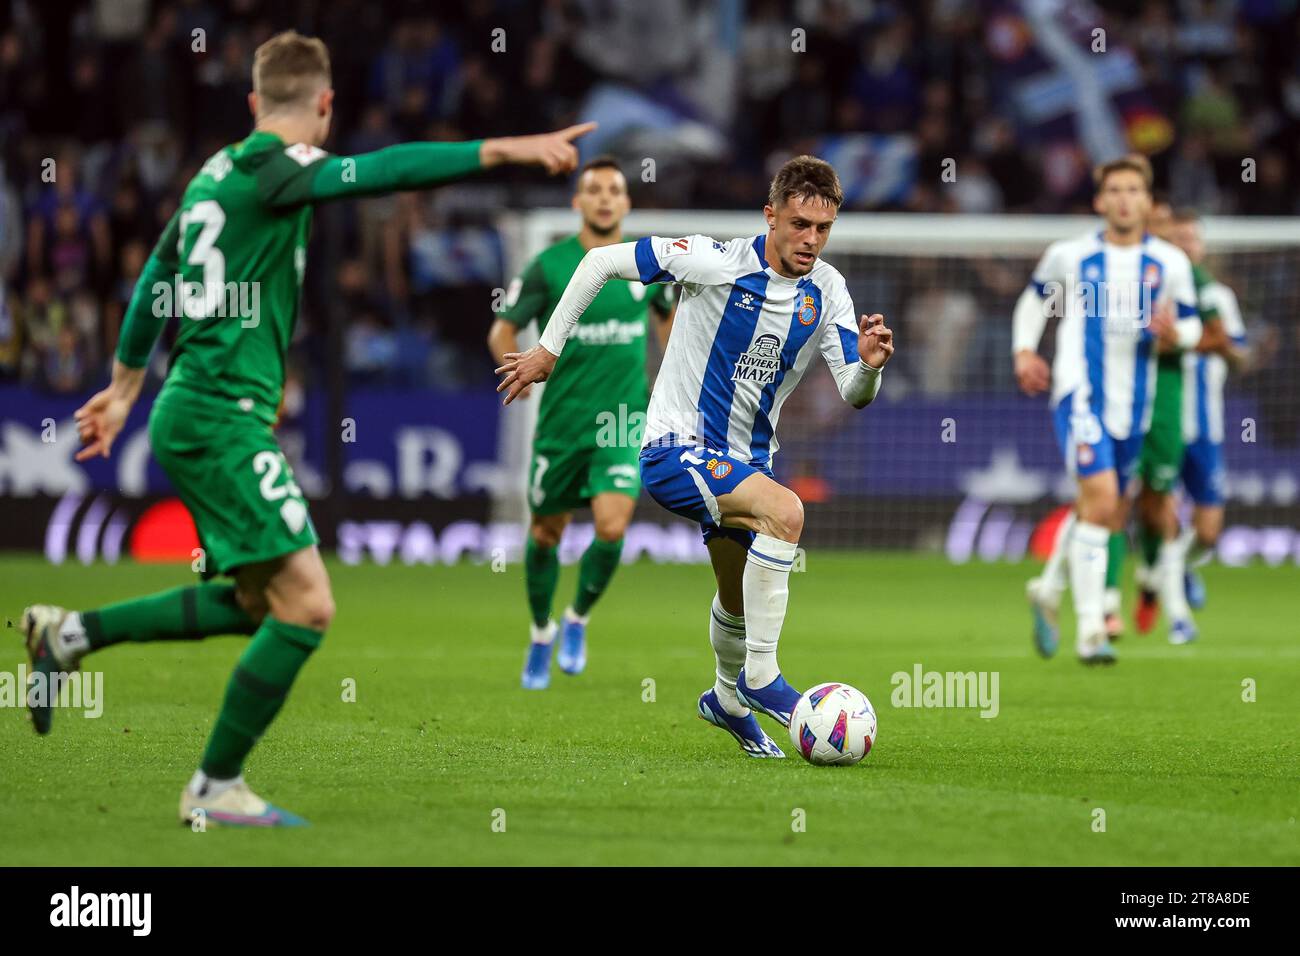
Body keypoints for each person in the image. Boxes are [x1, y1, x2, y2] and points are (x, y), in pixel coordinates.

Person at [20, 30, 594, 826]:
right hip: (219, 415)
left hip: (194, 406)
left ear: (255, 103)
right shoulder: (282, 171)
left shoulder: (215, 172)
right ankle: (214, 786)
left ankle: (70, 635)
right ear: (324, 105)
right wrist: (505, 150)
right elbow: (386, 170)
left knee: (262, 603)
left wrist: (122, 385)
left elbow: (156, 272)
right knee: (309, 605)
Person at [497, 156, 895, 757]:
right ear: (770, 215)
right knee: (787, 514)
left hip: (745, 464)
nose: (810, 240)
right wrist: (549, 350)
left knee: (736, 600)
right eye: (798, 224)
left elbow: (853, 394)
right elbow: (601, 260)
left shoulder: (828, 290)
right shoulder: (715, 260)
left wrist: (868, 365)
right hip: (675, 449)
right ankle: (763, 680)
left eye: (823, 228)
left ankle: (726, 699)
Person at [487, 156, 675, 689]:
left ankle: (578, 620)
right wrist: (516, 370)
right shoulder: (549, 265)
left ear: (626, 202)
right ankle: (541, 631)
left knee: (613, 527)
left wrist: (678, 380)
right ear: (577, 202)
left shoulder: (646, 266)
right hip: (561, 424)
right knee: (547, 533)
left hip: (622, 421)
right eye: (593, 189)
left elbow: (671, 327)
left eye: (614, 190)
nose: (604, 198)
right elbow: (502, 329)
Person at [1015, 155, 1200, 663]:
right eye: (1114, 190)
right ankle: (1093, 629)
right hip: (1081, 395)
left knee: (1109, 509)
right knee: (1100, 500)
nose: (1123, 199)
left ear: (1147, 200)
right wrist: (1025, 350)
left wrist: (1175, 335)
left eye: (1133, 190)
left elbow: (1192, 326)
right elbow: (1034, 300)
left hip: (1134, 408)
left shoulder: (1170, 263)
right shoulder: (1069, 255)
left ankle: (1050, 588)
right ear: (1099, 201)